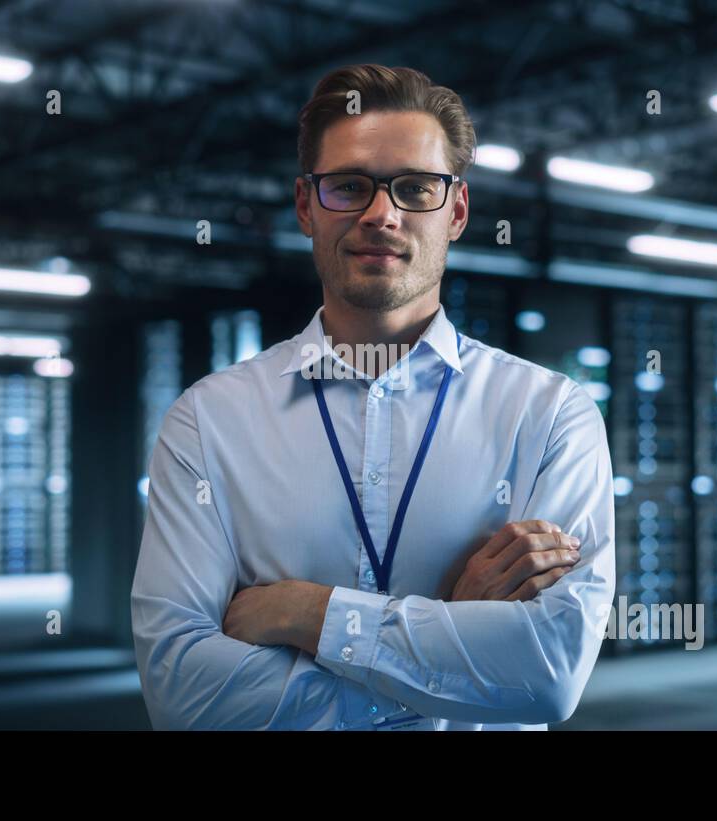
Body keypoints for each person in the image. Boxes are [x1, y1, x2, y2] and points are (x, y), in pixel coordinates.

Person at [130, 64, 615, 730]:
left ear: (458, 211)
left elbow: (549, 675)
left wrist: (310, 614)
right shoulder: (208, 421)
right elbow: (183, 693)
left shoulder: (551, 416)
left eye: (416, 188)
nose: (381, 214)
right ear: (306, 206)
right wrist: (448, 634)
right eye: (349, 186)